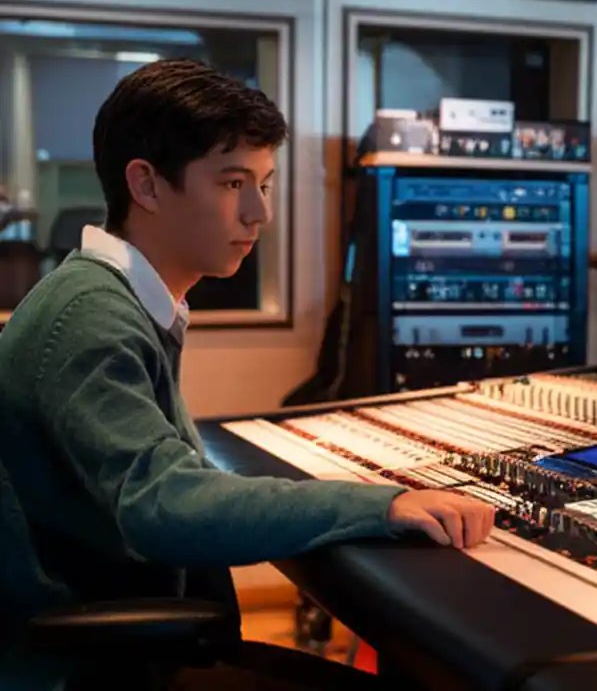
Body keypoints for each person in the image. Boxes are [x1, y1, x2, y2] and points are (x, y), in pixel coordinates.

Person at [0, 59, 495, 688]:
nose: (260, 213)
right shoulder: (91, 318)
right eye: (234, 184)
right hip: (90, 670)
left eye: (265, 184)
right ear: (147, 186)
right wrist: (385, 503)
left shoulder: (115, 298)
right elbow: (163, 503)